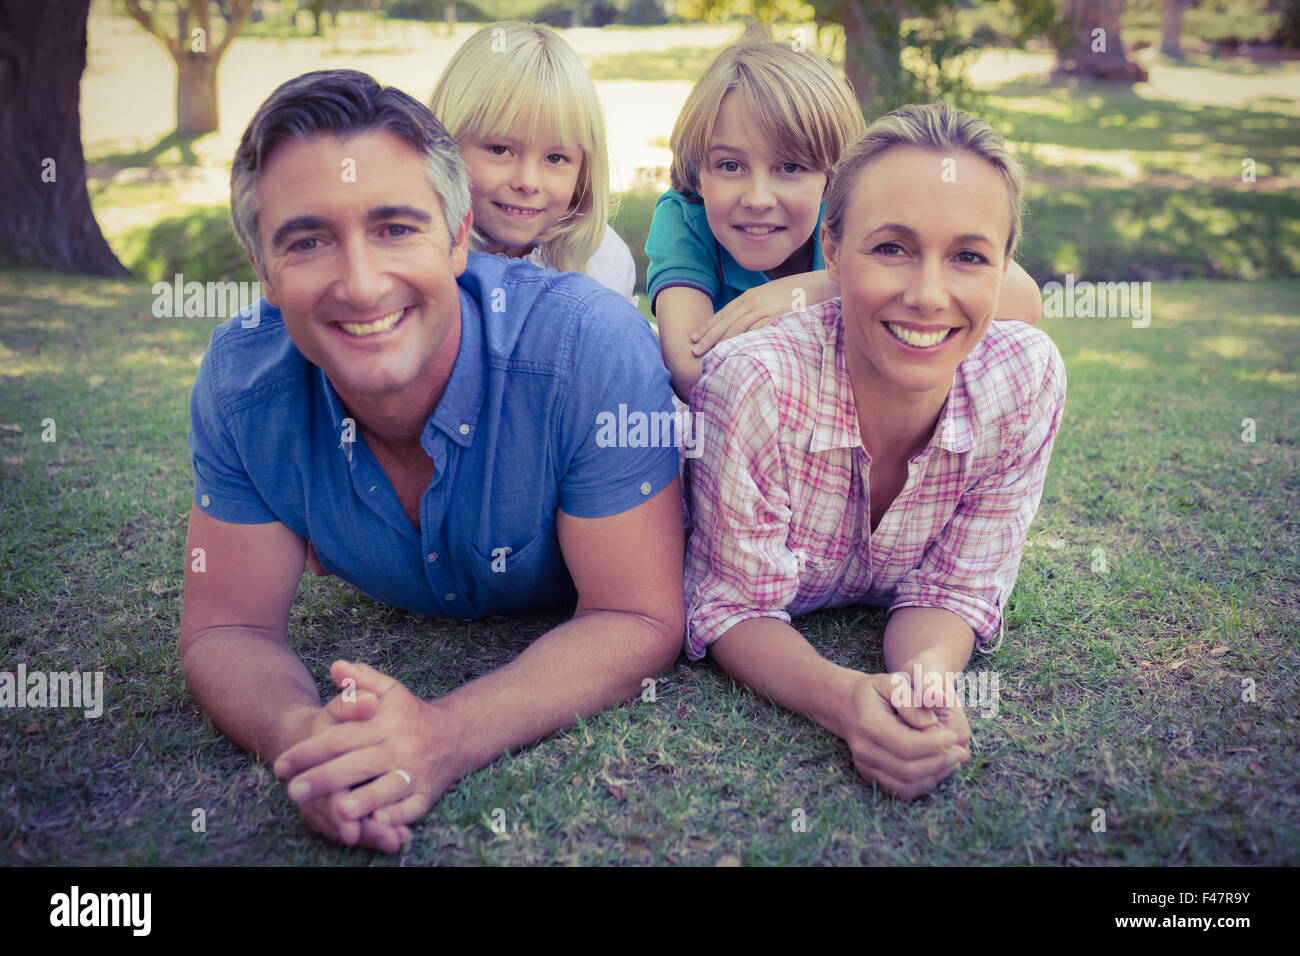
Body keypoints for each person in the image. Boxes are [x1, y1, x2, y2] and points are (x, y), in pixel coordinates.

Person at [181, 69, 685, 853]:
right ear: (262, 269)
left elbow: (637, 615)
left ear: (458, 239)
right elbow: (228, 626)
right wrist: (316, 744)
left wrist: (441, 736)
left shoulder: (590, 348)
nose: (360, 282)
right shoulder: (240, 384)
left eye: (395, 229)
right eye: (308, 240)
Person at [683, 102, 1067, 800]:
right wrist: (847, 700)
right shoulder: (757, 382)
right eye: (891, 248)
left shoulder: (1025, 378)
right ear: (832, 254)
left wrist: (924, 683)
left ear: (1005, 267)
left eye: (969, 257)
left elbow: (952, 588)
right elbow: (734, 606)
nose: (927, 295)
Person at [647, 40, 1045, 402]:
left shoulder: (850, 210)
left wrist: (810, 289)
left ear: (831, 178)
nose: (758, 198)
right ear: (698, 169)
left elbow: (1023, 298)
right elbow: (692, 372)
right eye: (730, 165)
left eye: (790, 167)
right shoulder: (686, 219)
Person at [429, 21, 638, 305]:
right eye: (500, 150)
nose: (528, 181)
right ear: (447, 144)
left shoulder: (600, 263)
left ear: (583, 170)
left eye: (555, 158)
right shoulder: (418, 252)